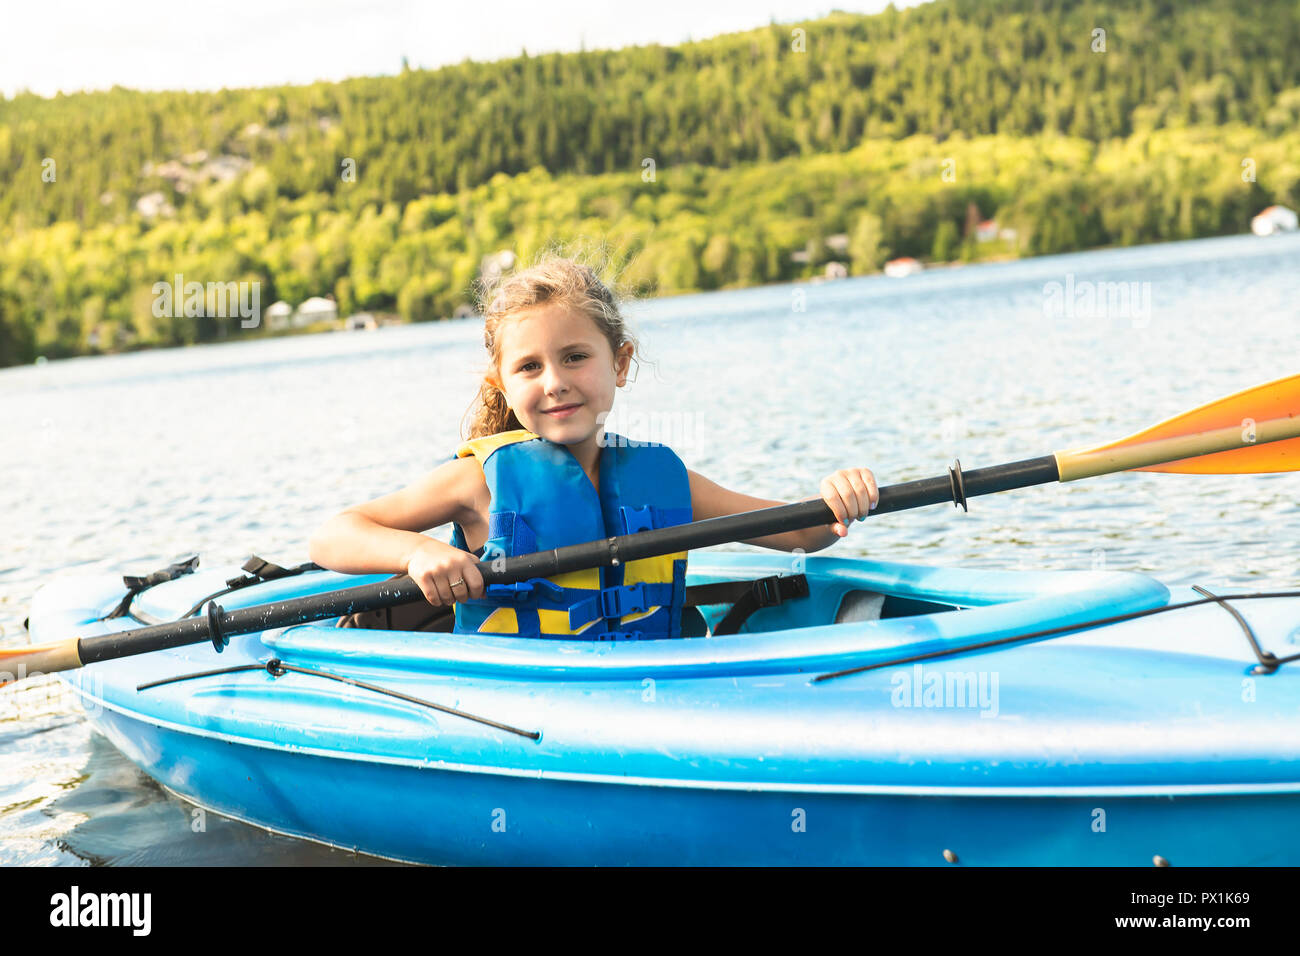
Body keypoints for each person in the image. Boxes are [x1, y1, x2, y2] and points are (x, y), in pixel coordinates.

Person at [309, 255, 879, 640]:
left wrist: (840, 497)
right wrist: (417, 553)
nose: (555, 381)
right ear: (502, 384)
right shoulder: (479, 482)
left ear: (620, 363)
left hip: (644, 692)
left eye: (576, 357)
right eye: (529, 367)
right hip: (515, 706)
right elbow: (333, 534)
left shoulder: (664, 480)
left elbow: (803, 533)